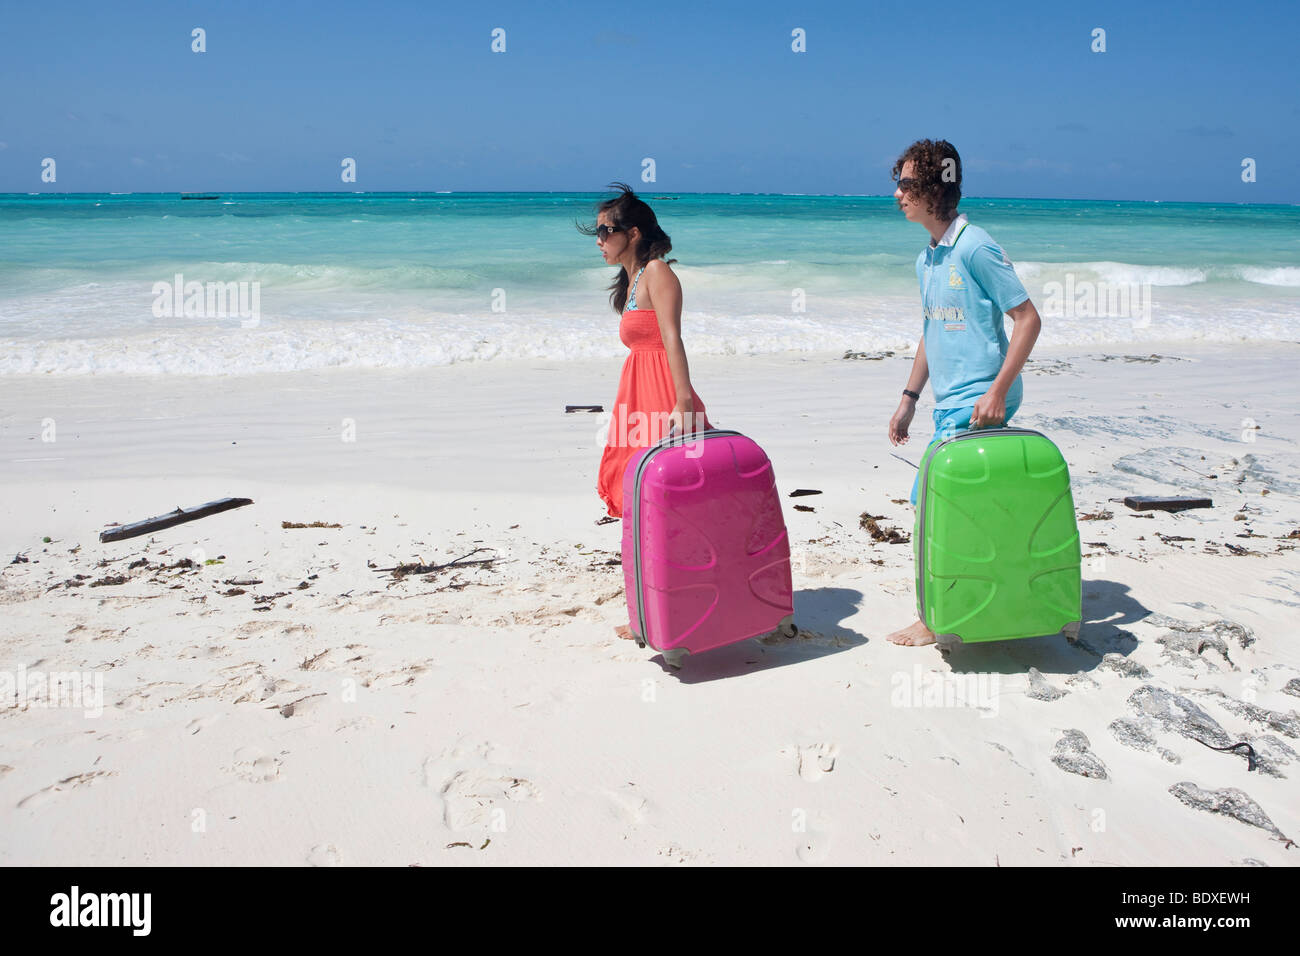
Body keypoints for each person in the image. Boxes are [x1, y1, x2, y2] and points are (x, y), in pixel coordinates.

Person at [885, 140, 1043, 647]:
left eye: (907, 184)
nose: (897, 194)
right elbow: (932, 330)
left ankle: (936, 619)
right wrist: (910, 397)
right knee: (965, 506)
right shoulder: (926, 259)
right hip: (949, 399)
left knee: (933, 504)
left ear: (935, 189)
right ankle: (987, 598)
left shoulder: (976, 246)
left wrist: (998, 392)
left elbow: (1027, 318)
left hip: (980, 399)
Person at [579, 182, 711, 521]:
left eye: (605, 232)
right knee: (639, 481)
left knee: (669, 482)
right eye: (597, 233)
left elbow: (672, 338)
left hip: (663, 391)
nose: (599, 241)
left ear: (633, 233)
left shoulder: (657, 272)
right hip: (637, 389)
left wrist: (682, 403)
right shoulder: (631, 283)